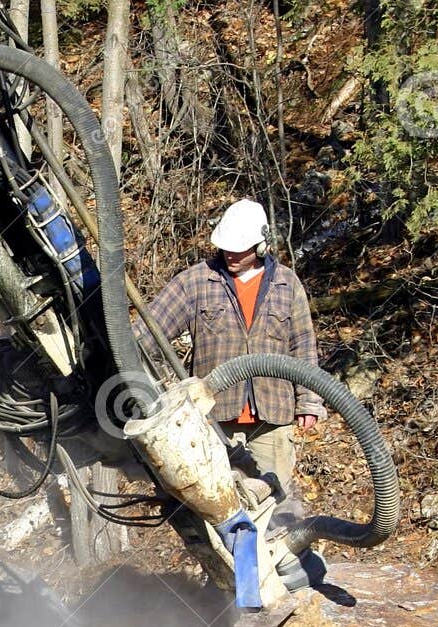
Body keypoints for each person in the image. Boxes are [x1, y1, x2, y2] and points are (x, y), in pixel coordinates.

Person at [138, 199, 324, 498]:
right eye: (226, 247)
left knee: (275, 501)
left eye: (239, 249)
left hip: (271, 418)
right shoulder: (196, 281)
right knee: (217, 506)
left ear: (261, 245)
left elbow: (303, 346)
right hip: (214, 420)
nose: (230, 254)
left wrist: (309, 402)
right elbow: (146, 335)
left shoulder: (287, 284)